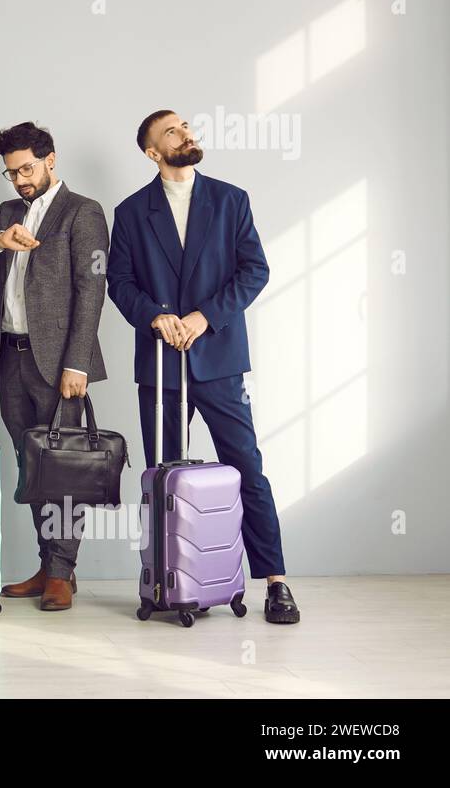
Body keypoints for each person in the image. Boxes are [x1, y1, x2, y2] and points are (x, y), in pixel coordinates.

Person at [106, 109, 300, 624]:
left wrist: (204, 317)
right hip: (160, 363)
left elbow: (254, 270)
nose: (186, 134)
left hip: (218, 360)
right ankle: (169, 581)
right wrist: (156, 319)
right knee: (163, 477)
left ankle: (275, 581)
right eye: (173, 131)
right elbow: (120, 283)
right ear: (152, 152)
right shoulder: (130, 213)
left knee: (248, 468)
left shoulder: (231, 200)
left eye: (186, 126)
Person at [0, 122, 109, 612]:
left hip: (61, 363)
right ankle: (48, 567)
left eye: (27, 169)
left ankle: (62, 574)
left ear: (50, 160)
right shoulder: (8, 212)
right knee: (32, 467)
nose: (20, 180)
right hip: (10, 358)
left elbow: (91, 290)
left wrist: (77, 363)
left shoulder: (82, 212)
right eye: (11, 172)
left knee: (61, 470)